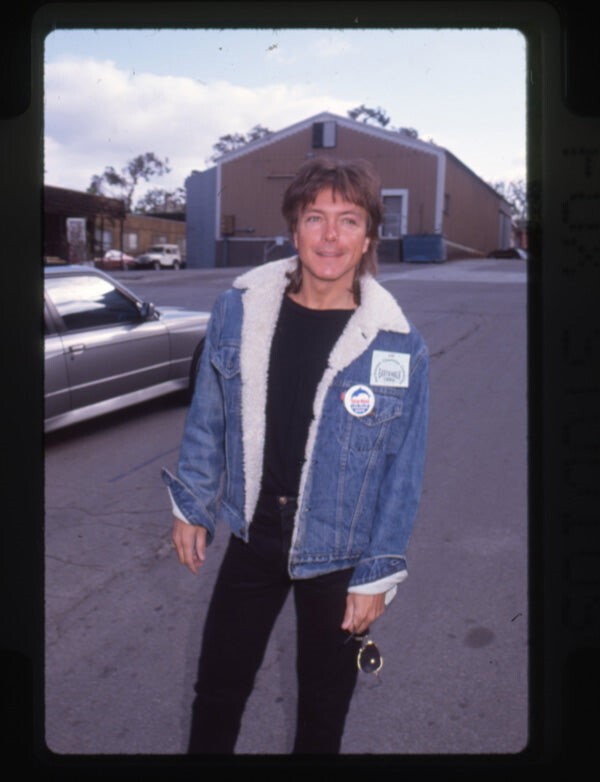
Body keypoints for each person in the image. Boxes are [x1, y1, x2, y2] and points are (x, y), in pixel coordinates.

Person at [163, 157, 429, 754]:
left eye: (349, 220)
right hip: (254, 539)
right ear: (294, 229)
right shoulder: (241, 308)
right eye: (316, 218)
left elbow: (402, 473)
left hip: (341, 554)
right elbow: (210, 415)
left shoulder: (397, 344)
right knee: (217, 697)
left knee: (322, 718)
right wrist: (193, 503)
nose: (330, 236)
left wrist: (376, 575)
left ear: (368, 238)